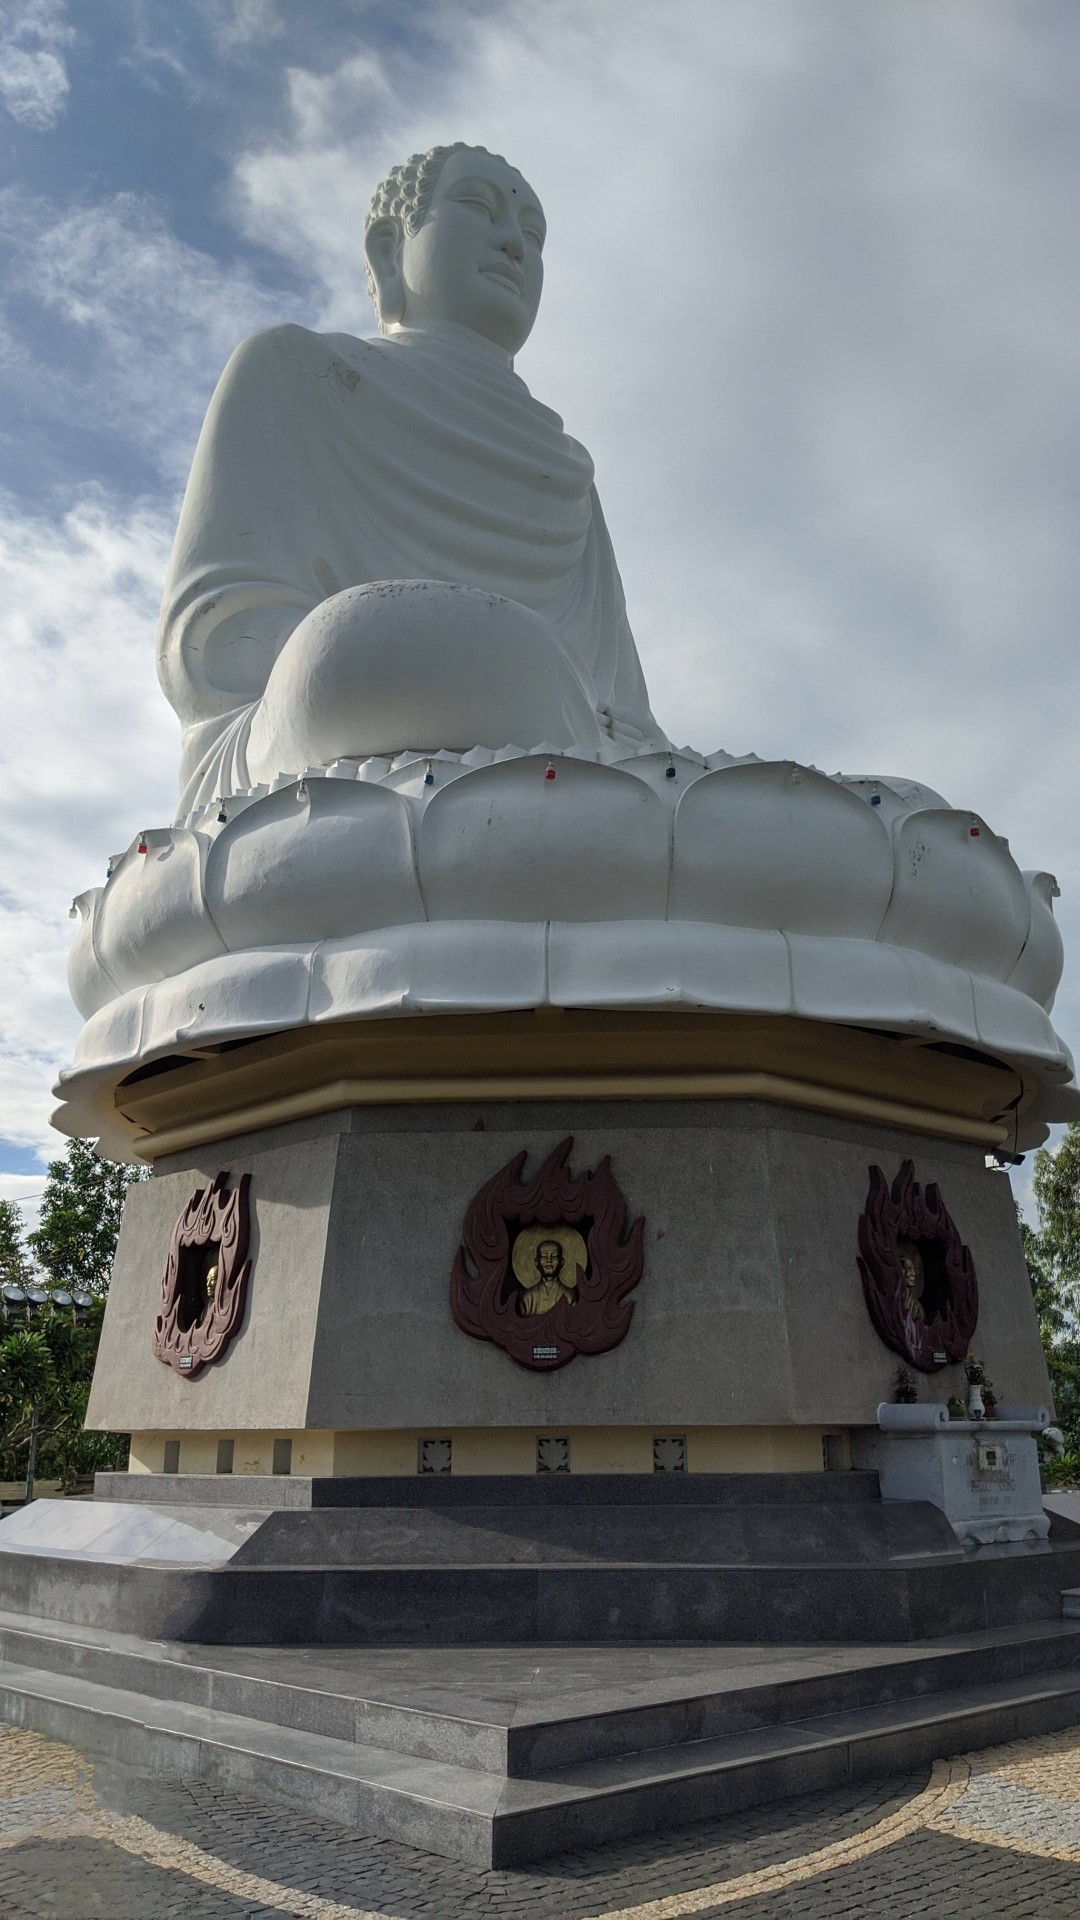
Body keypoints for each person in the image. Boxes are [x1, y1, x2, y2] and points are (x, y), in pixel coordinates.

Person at [157, 142, 666, 814]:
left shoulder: (565, 466)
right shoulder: (292, 368)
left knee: (740, 796)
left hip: (570, 758)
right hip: (323, 738)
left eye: (534, 236)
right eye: (480, 210)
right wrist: (452, 660)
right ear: (389, 251)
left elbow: (623, 716)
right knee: (386, 642)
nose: (514, 244)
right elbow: (213, 644)